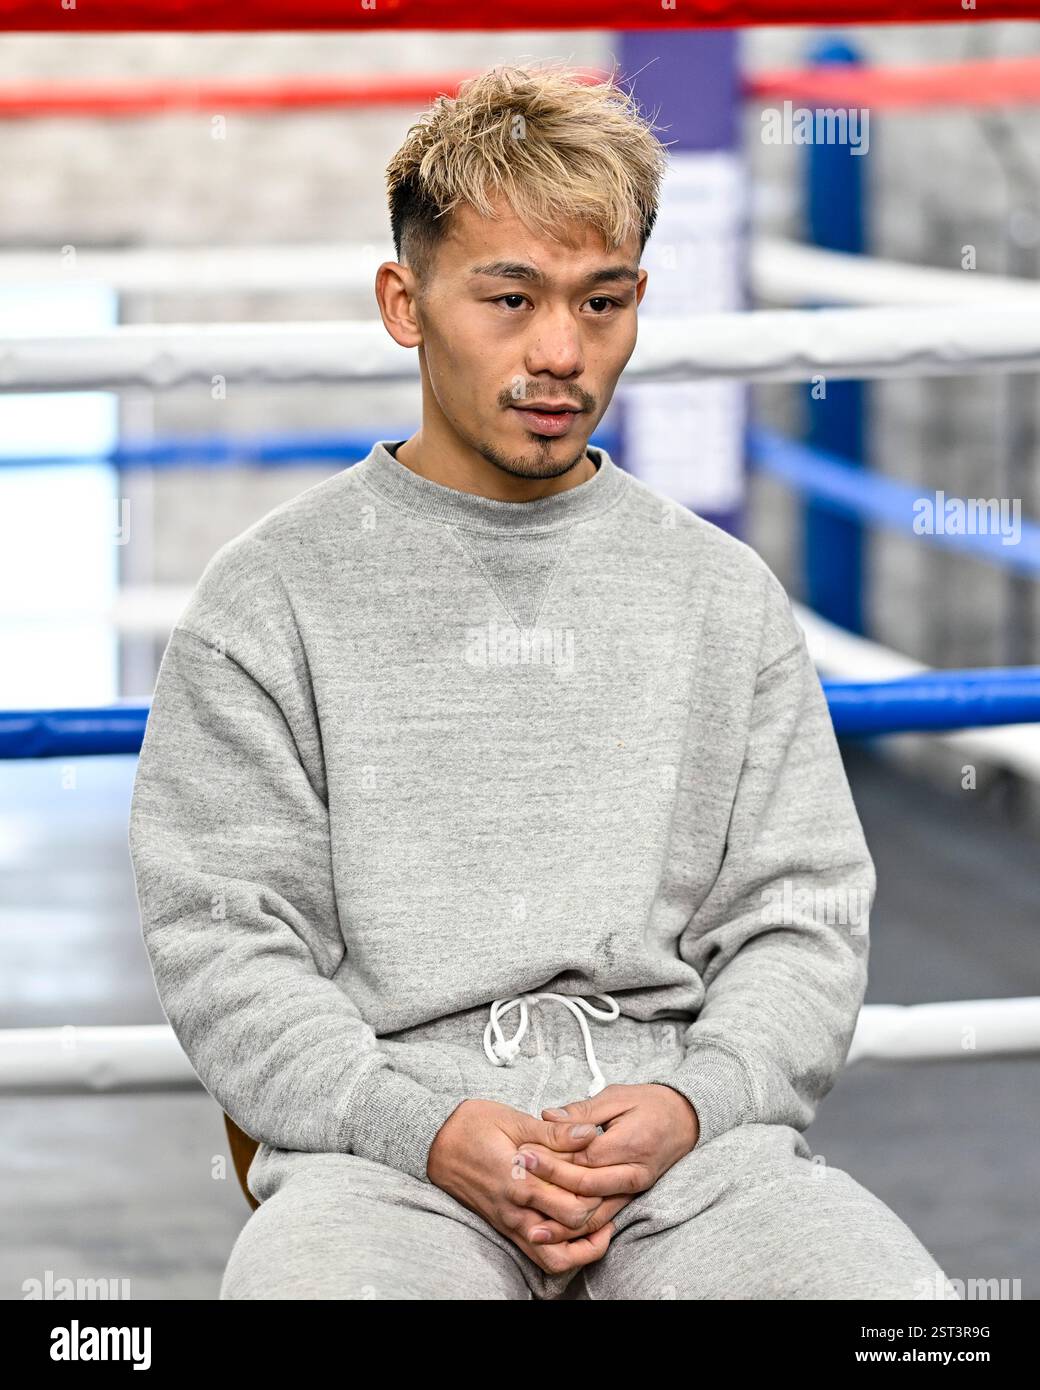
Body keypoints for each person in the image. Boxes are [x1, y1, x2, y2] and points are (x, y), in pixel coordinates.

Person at [128, 61, 957, 1301]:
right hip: (387, 1171)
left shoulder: (719, 595)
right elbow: (226, 943)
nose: (560, 352)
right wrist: (409, 1120)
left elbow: (801, 919)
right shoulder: (269, 601)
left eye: (601, 301)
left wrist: (693, 1100)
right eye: (508, 299)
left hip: (693, 1162)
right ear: (403, 304)